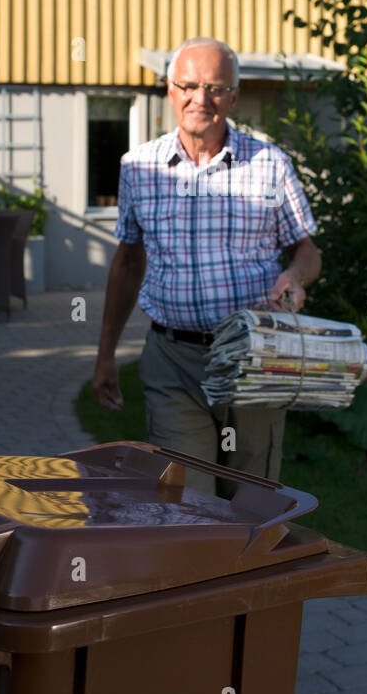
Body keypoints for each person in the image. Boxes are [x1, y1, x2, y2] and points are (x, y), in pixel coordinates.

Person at [90, 36, 322, 496]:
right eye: (189, 85)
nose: (202, 99)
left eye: (215, 88)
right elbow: (127, 261)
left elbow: (307, 250)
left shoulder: (270, 164)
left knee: (252, 499)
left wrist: (294, 276)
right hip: (174, 360)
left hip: (255, 357)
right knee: (186, 501)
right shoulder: (139, 167)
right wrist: (105, 355)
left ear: (233, 97)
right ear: (170, 91)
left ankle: (251, 570)